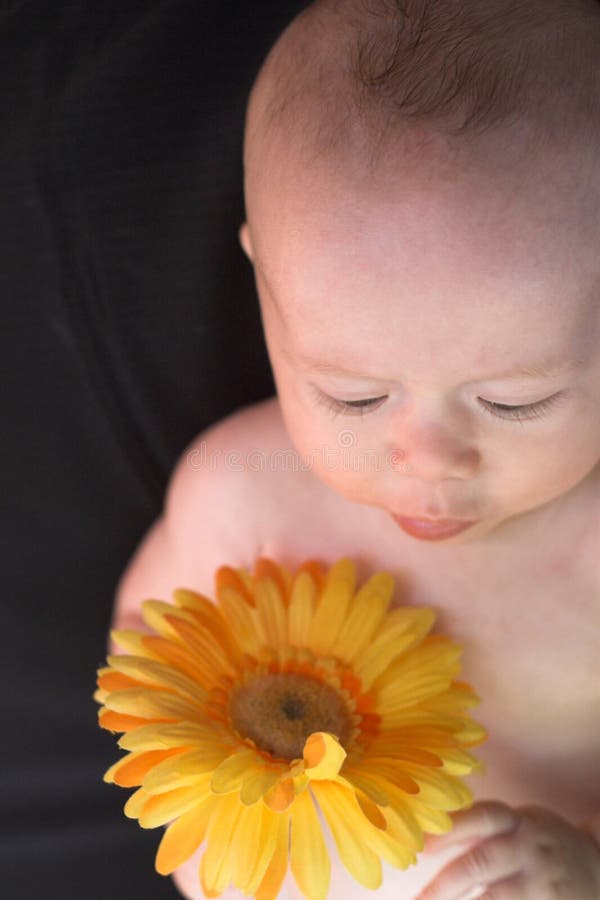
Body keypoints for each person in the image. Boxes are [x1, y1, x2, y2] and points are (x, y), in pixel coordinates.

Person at [112, 1, 600, 897]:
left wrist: (582, 865)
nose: (426, 456)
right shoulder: (242, 493)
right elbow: (146, 665)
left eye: (512, 401)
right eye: (355, 394)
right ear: (267, 293)